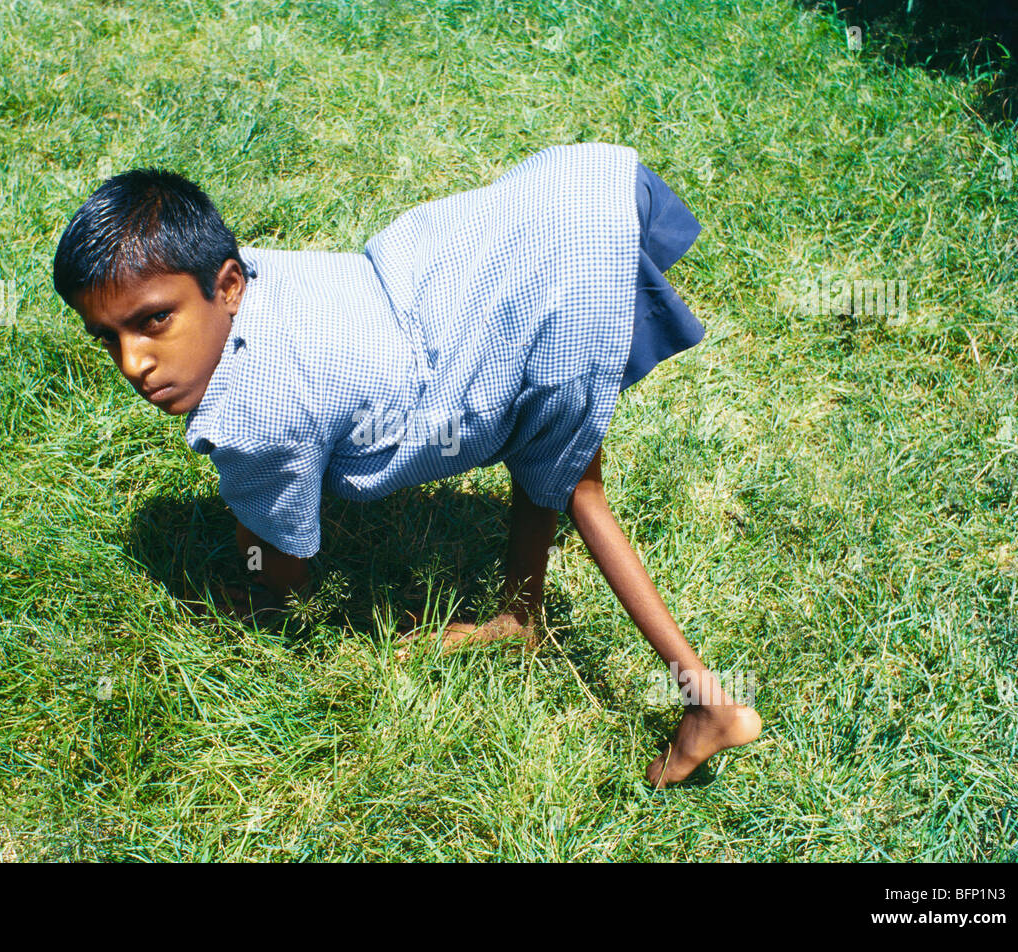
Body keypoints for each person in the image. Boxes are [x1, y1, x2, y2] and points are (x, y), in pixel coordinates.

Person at [52, 143, 761, 787]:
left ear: (227, 285)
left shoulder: (257, 414)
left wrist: (257, 594)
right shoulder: (247, 276)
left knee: (577, 487)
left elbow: (283, 559)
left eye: (153, 322)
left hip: (529, 291)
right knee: (547, 445)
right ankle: (519, 616)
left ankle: (710, 700)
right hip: (562, 207)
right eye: (106, 338)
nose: (134, 364)